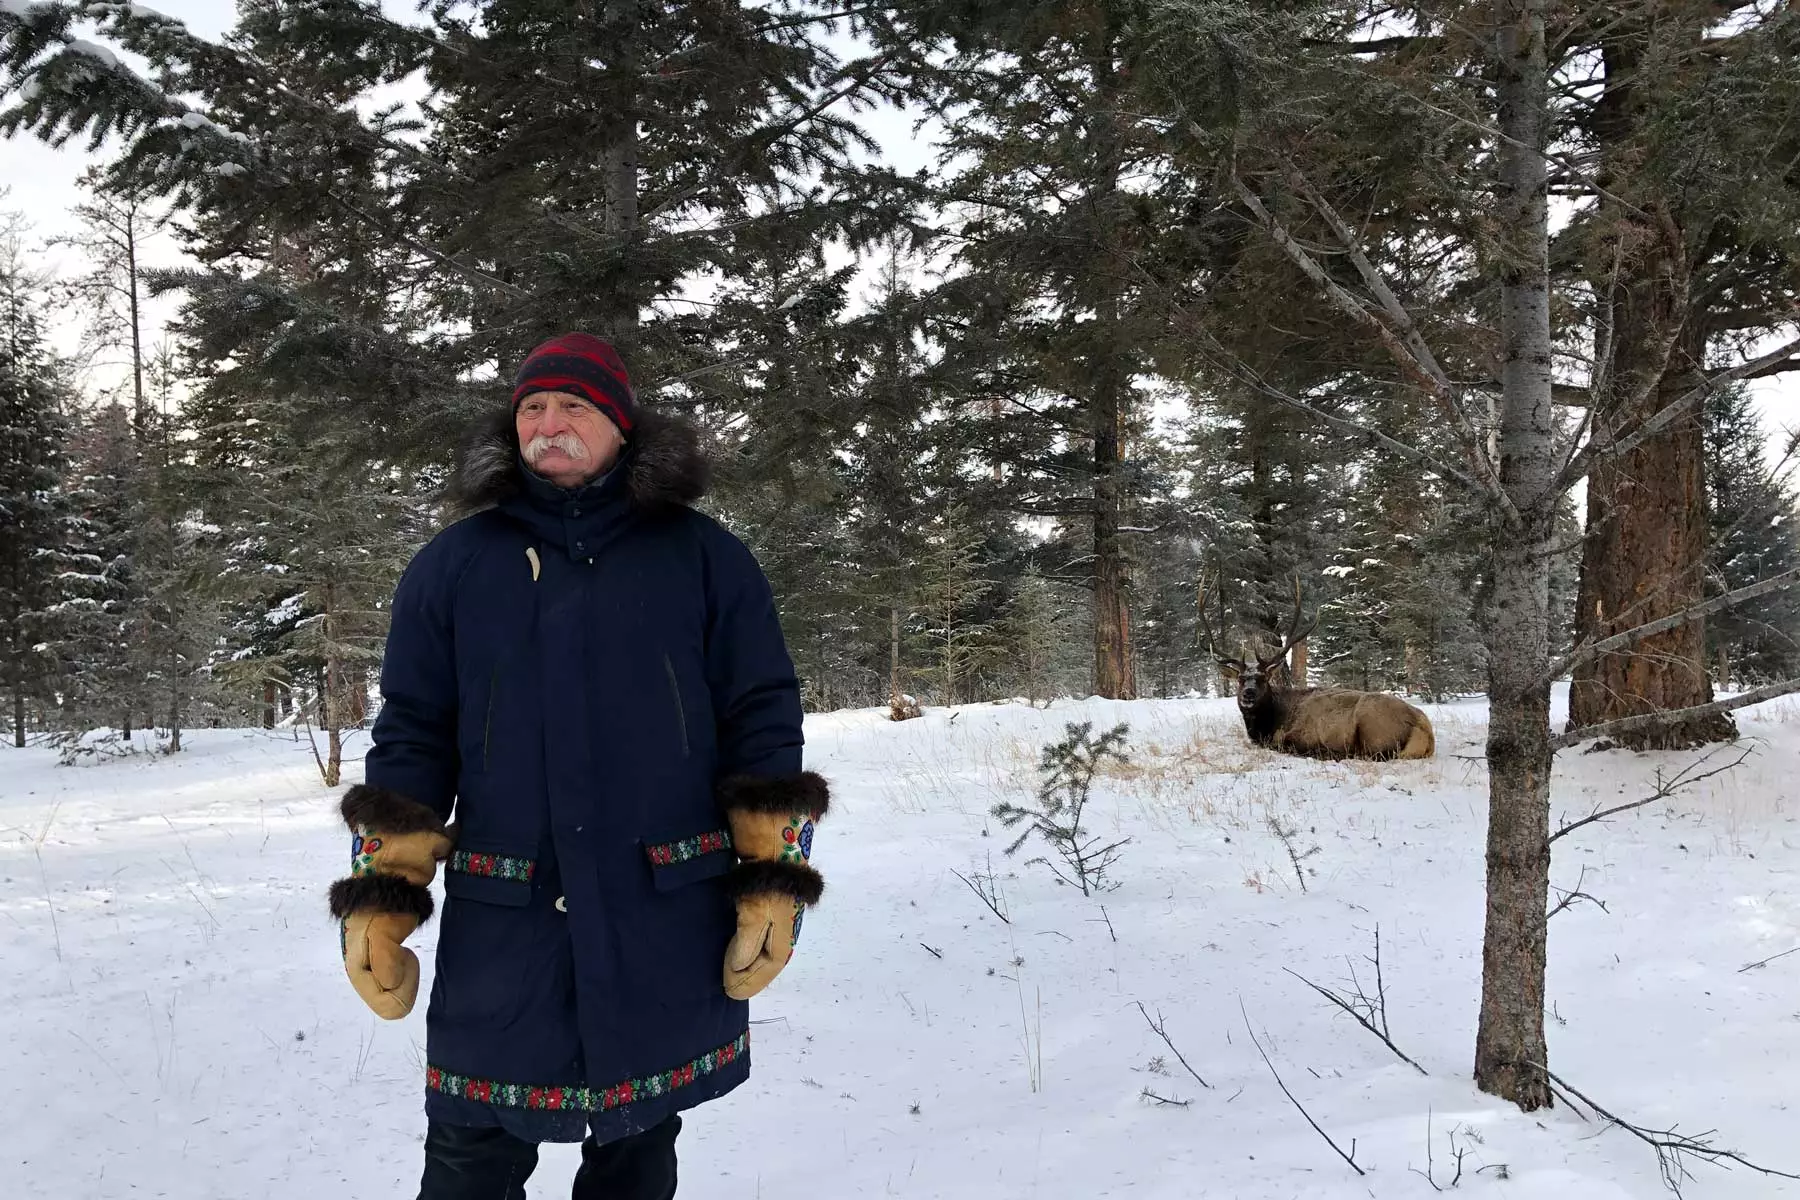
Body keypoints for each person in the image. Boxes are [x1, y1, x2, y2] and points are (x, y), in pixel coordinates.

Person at [325, 333, 831, 1200]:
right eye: (532, 408)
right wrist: (383, 893)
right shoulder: (453, 566)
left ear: (622, 428)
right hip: (506, 909)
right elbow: (412, 731)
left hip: (657, 905)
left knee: (635, 1154)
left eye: (572, 408)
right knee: (466, 1160)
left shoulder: (705, 559)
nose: (548, 425)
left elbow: (761, 717)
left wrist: (773, 879)